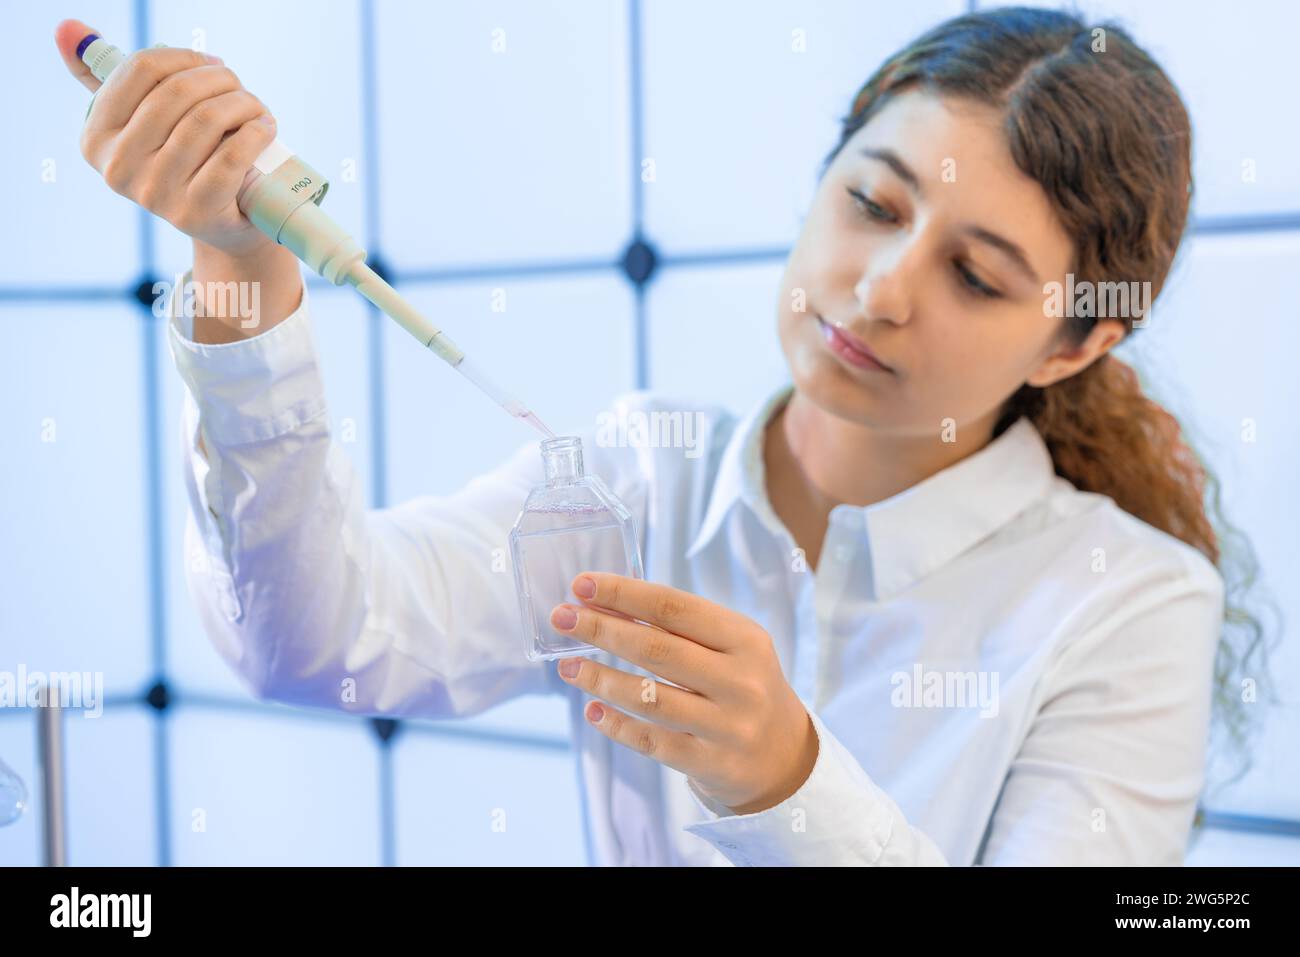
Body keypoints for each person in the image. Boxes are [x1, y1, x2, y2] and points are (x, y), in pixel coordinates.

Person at [56, 6, 1268, 866]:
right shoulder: (641, 482)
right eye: (870, 202)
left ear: (1073, 345)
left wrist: (787, 781)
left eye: (977, 276)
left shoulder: (1128, 602)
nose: (879, 290)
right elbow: (314, 642)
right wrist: (237, 257)